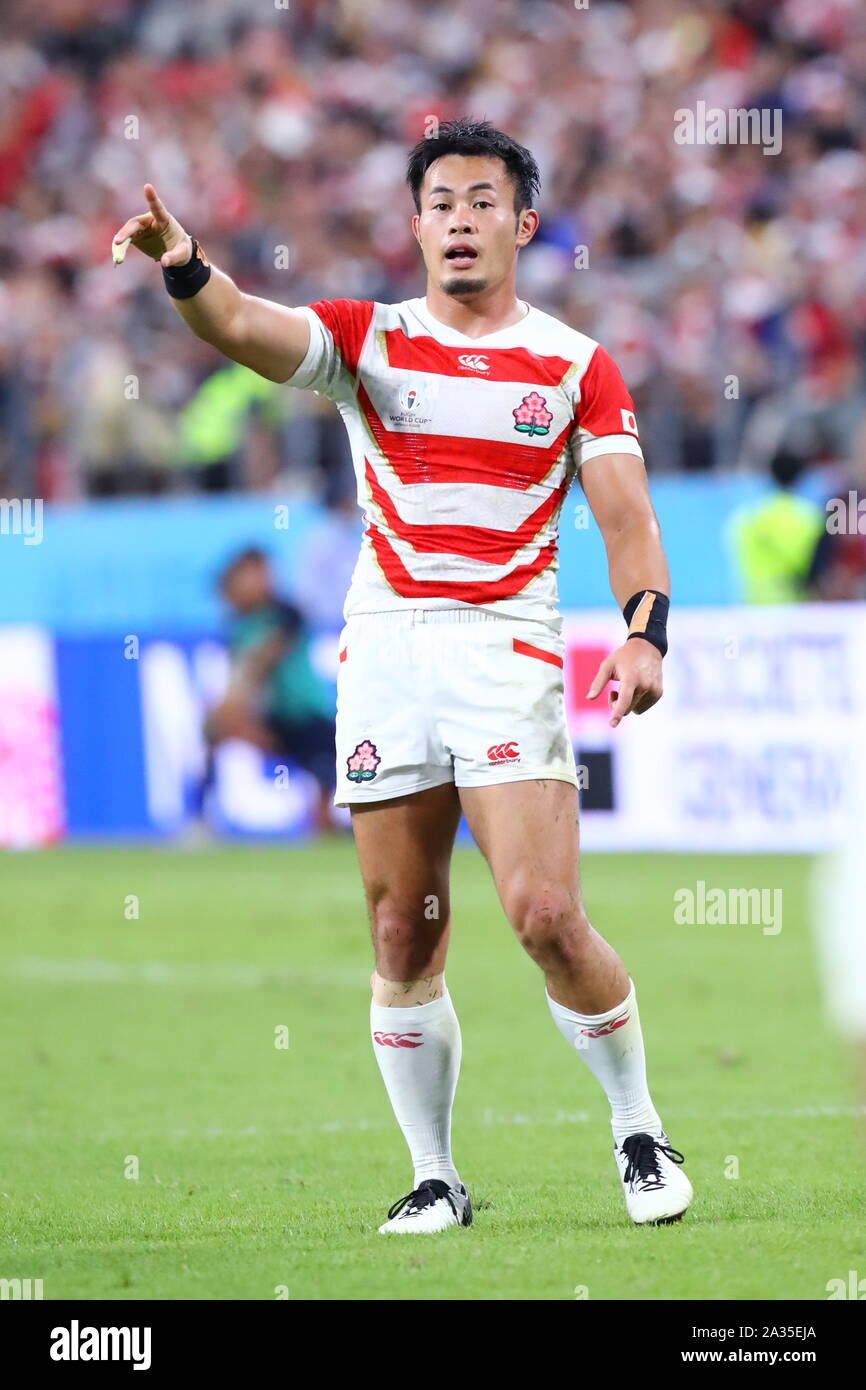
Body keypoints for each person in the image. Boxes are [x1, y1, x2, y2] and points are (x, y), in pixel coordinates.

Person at [113, 118, 692, 1232]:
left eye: (482, 202)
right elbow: (239, 323)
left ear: (522, 225)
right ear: (414, 224)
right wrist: (184, 262)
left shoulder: (575, 364)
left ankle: (636, 1129)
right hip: (385, 649)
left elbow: (626, 516)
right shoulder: (364, 339)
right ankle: (435, 1174)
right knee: (401, 928)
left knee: (541, 914)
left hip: (505, 646)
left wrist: (643, 632)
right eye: (440, 203)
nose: (459, 220)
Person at [206, 547, 338, 833]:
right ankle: (201, 817)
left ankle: (325, 825)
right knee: (213, 730)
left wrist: (237, 694)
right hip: (272, 720)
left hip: (307, 715)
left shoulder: (288, 614)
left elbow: (263, 660)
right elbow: (240, 673)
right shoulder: (238, 626)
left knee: (325, 778)